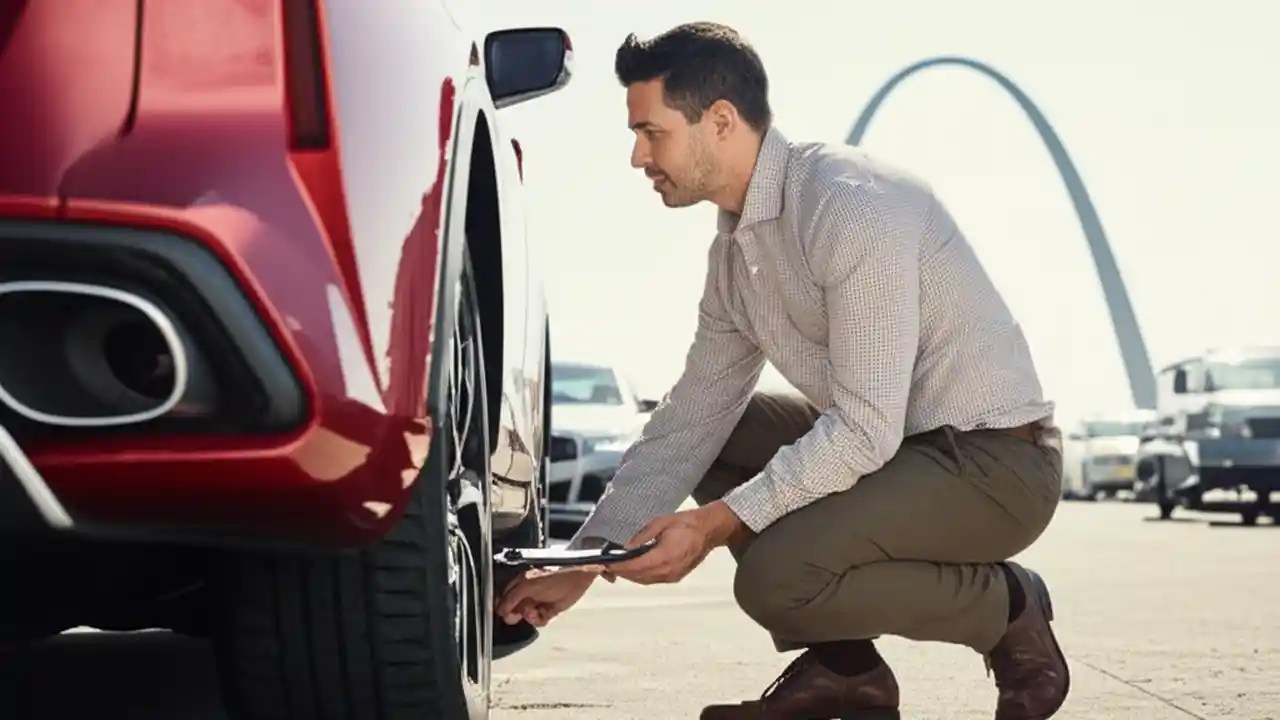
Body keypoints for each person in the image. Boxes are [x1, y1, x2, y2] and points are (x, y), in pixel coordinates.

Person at [497, 21, 1069, 720]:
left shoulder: (850, 207)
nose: (637, 156)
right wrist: (588, 561)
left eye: (651, 133)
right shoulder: (735, 254)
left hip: (993, 465)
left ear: (721, 121)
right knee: (721, 426)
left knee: (774, 577)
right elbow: (689, 423)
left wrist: (712, 525)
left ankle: (1009, 609)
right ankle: (847, 670)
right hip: (904, 452)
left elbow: (863, 429)